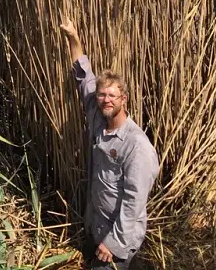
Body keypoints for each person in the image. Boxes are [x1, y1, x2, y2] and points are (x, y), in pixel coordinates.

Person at [60, 19, 159, 269]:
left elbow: (134, 202)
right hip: (96, 225)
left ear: (123, 99)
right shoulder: (97, 117)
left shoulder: (137, 146)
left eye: (112, 96)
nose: (105, 100)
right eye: (102, 94)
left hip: (118, 240)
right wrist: (73, 36)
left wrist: (113, 243)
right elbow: (83, 75)